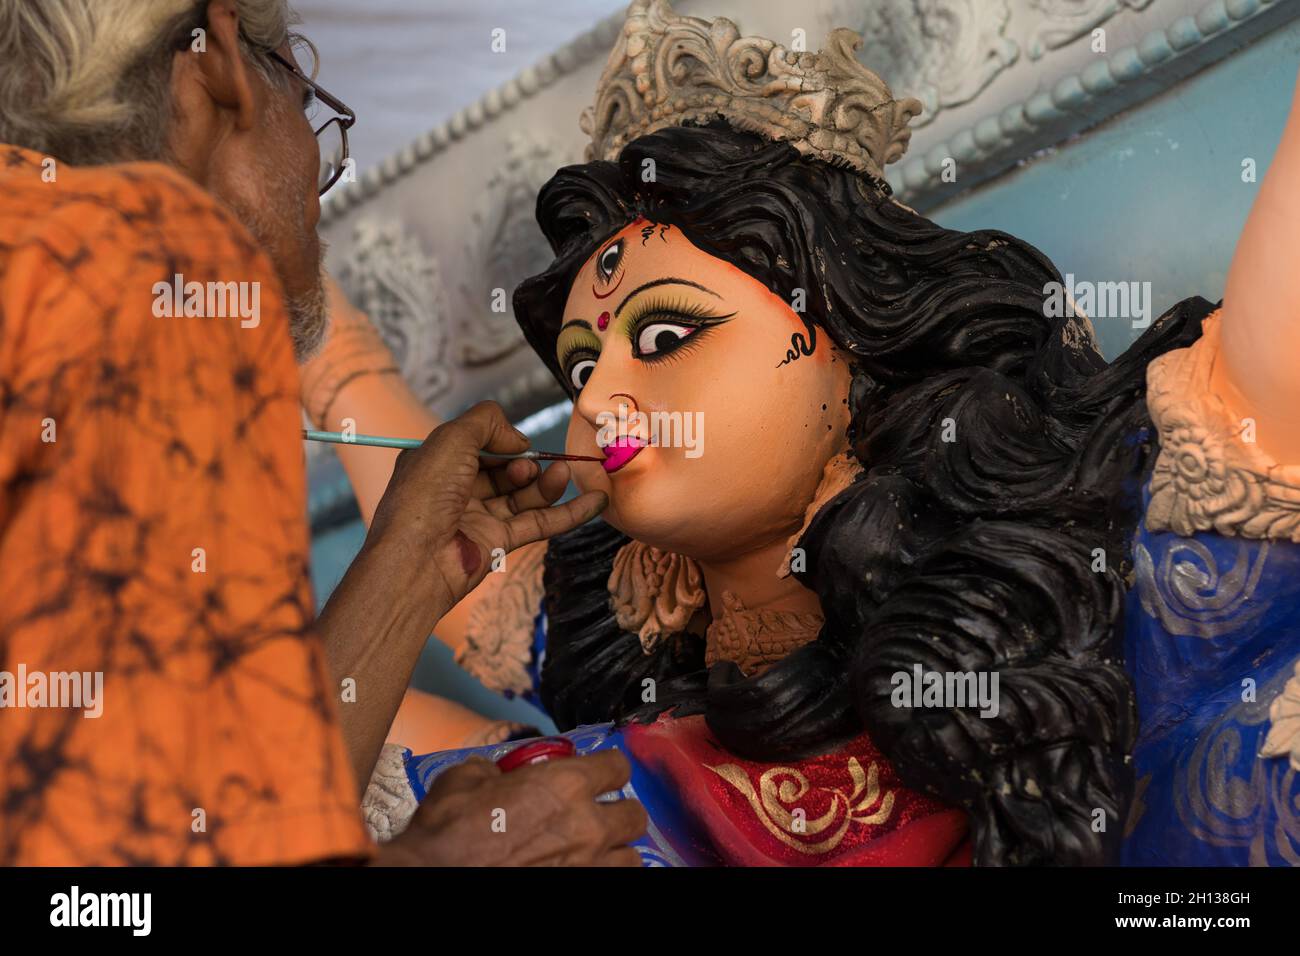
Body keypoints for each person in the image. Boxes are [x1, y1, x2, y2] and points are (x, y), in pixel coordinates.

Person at [343, 0, 1300, 865]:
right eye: (585, 368)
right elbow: (256, 803)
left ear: (852, 351)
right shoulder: (573, 801)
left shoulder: (1090, 602)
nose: (597, 406)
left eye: (668, 335)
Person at [0, 0, 646, 866]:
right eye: (312, 114)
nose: (600, 402)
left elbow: (218, 802)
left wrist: (411, 566)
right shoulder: (146, 260)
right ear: (222, 60)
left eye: (665, 339)